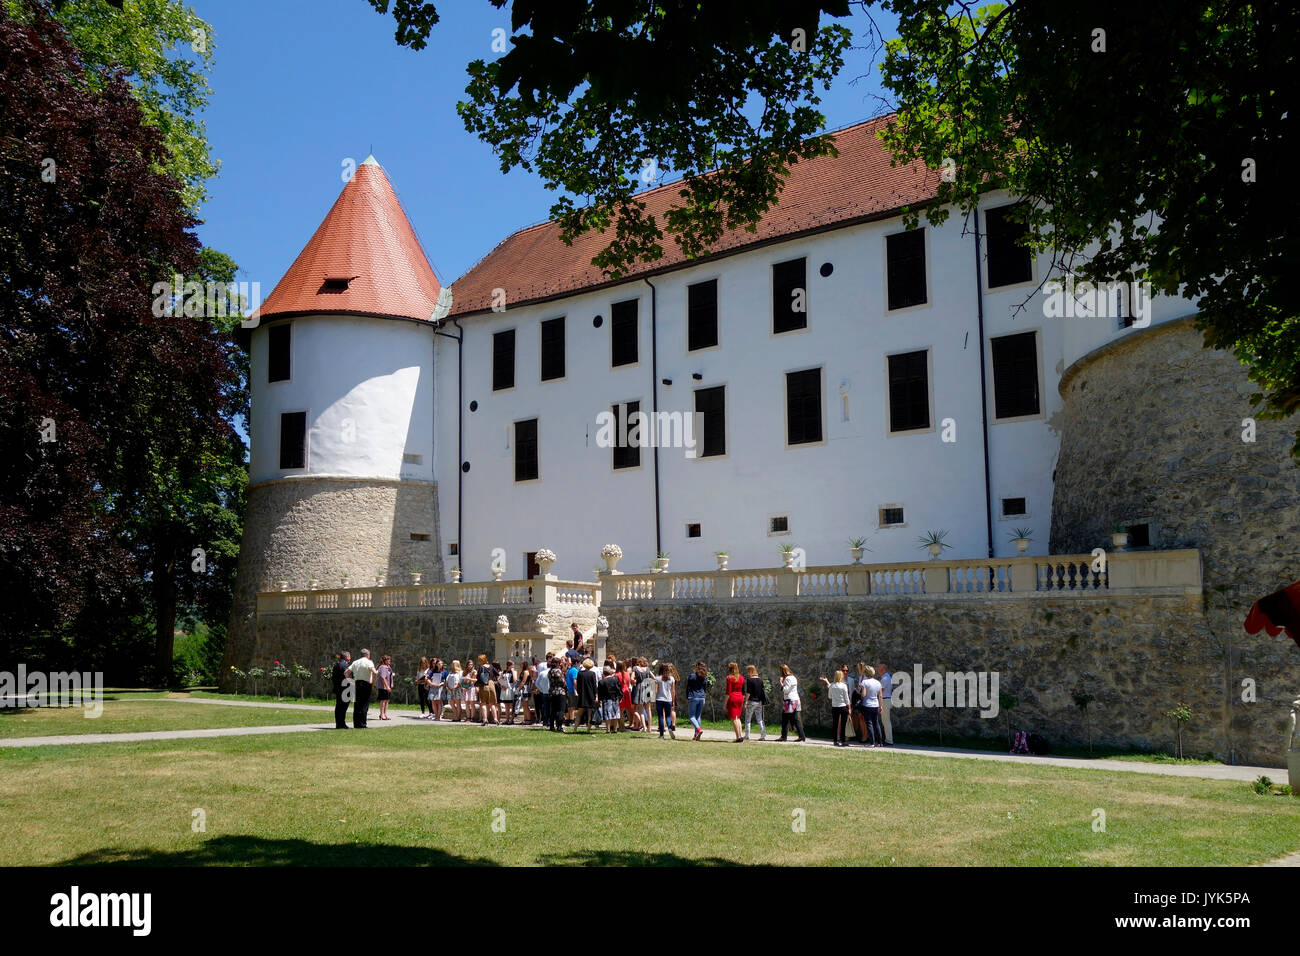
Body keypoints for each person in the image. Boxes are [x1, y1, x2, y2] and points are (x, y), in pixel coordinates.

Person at [345, 649, 376, 728]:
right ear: (367, 655)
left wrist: (350, 681)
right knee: (365, 704)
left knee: (357, 704)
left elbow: (346, 672)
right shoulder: (369, 662)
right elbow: (375, 672)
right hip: (366, 684)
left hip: (357, 683)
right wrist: (373, 682)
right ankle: (362, 724)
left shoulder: (355, 662)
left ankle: (356, 723)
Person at [821, 670, 851, 746]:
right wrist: (849, 707)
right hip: (843, 706)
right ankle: (843, 741)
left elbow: (829, 696)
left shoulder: (832, 685)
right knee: (843, 724)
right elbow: (846, 698)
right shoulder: (844, 685)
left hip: (835, 706)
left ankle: (835, 741)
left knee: (835, 724)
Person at [777, 664, 806, 742]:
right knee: (795, 719)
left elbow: (786, 690)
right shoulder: (793, 677)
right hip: (795, 700)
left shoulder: (788, 679)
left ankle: (784, 736)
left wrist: (781, 682)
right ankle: (802, 736)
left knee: (785, 719)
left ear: (783, 671)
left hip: (790, 701)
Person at [859, 665, 884, 747]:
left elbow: (863, 695)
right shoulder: (878, 682)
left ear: (866, 673)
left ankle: (872, 742)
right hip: (876, 705)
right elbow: (880, 696)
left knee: (869, 724)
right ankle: (880, 742)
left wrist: (859, 692)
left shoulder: (864, 682)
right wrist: (880, 706)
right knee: (876, 723)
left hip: (867, 705)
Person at [742, 664, 767, 741]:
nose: (747, 673)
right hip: (759, 702)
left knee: (748, 718)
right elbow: (762, 691)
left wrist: (745, 701)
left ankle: (747, 735)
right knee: (760, 719)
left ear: (750, 671)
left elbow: (748, 692)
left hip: (751, 701)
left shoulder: (749, 680)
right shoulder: (760, 679)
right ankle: (763, 735)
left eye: (748, 671)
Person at [685, 661, 708, 741]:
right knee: (698, 716)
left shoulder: (692, 676)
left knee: (691, 716)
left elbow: (688, 688)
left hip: (693, 697)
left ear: (697, 667)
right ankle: (696, 735)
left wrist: (687, 698)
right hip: (702, 698)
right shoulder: (704, 677)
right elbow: (705, 689)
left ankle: (698, 730)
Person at [576, 658, 599, 732]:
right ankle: (588, 730)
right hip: (590, 695)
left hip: (582, 695)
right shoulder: (592, 674)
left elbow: (578, 685)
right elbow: (594, 686)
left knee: (579, 713)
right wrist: (596, 695)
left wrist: (578, 692)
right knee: (590, 714)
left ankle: (575, 729)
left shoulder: (579, 673)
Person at [654, 663, 677, 739]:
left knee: (660, 716)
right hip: (668, 700)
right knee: (668, 716)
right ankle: (670, 728)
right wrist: (673, 701)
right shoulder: (672, 679)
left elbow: (656, 690)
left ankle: (661, 735)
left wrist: (652, 699)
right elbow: (673, 691)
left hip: (659, 699)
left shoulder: (657, 678)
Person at [725, 661, 746, 742]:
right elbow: (743, 690)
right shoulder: (741, 678)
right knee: (738, 718)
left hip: (733, 697)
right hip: (740, 697)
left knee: (734, 718)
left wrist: (725, 703)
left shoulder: (729, 678)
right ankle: (740, 735)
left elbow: (728, 692)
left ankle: (738, 737)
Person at [598, 665, 623, 733]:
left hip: (606, 699)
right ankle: (615, 729)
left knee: (607, 715)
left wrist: (599, 700)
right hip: (615, 698)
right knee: (615, 714)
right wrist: (620, 697)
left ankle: (608, 729)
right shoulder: (615, 679)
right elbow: (619, 689)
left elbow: (600, 693)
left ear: (604, 673)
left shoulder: (601, 682)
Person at [331, 651, 352, 729]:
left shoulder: (336, 665)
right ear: (346, 657)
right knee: (343, 707)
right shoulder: (345, 665)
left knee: (339, 706)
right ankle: (342, 723)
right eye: (349, 656)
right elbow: (348, 677)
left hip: (338, 688)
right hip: (345, 689)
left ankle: (339, 723)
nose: (350, 657)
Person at [547, 658, 568, 731]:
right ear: (558, 663)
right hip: (560, 692)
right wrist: (566, 687)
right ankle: (559, 726)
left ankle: (551, 726)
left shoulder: (550, 671)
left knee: (553, 710)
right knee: (561, 710)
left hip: (552, 691)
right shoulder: (558, 671)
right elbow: (562, 682)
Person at [477, 655, 498, 725]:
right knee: (492, 703)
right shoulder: (491, 666)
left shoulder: (481, 668)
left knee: (483, 703)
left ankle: (485, 719)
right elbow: (498, 674)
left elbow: (478, 678)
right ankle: (495, 719)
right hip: (491, 684)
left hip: (484, 685)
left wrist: (476, 686)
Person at [634, 658, 654, 731]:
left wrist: (635, 681)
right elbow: (654, 678)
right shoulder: (648, 669)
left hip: (640, 687)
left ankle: (644, 727)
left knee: (641, 709)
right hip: (648, 687)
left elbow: (632, 678)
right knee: (648, 709)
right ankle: (650, 727)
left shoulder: (635, 668)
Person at [877, 662, 894, 746]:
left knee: (886, 721)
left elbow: (881, 690)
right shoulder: (886, 677)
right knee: (885, 721)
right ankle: (887, 739)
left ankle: (889, 740)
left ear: (883, 669)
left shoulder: (885, 678)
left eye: (879, 668)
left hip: (885, 700)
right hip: (886, 700)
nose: (878, 670)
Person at [375, 654, 395, 721]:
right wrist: (387, 687)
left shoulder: (388, 666)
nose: (390, 661)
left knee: (387, 700)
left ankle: (385, 714)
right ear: (385, 660)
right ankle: (382, 714)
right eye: (388, 660)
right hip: (383, 687)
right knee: (383, 701)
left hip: (388, 686)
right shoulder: (383, 667)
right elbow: (383, 678)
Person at [617, 660, 634, 731]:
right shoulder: (627, 674)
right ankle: (631, 723)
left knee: (620, 711)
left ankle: (622, 726)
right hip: (627, 692)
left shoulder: (616, 675)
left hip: (620, 693)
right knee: (628, 709)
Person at [535, 657, 551, 728]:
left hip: (544, 692)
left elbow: (537, 683)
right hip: (551, 692)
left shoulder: (542, 673)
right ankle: (550, 721)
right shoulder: (553, 672)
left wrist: (541, 689)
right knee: (551, 707)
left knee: (545, 707)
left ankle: (545, 721)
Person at [565, 657, 580, 725]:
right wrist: (577, 689)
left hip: (568, 689)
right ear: (576, 663)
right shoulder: (575, 670)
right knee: (573, 706)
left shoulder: (569, 669)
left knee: (569, 706)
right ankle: (571, 720)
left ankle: (568, 719)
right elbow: (575, 681)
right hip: (572, 690)